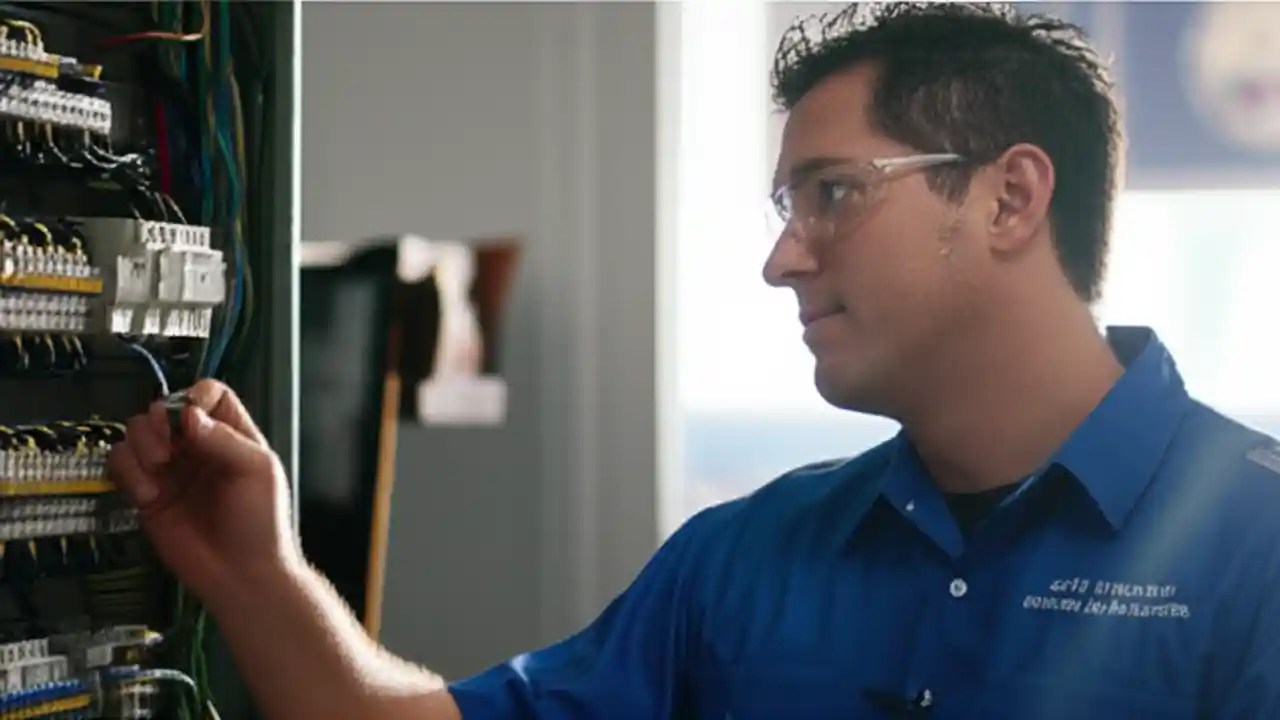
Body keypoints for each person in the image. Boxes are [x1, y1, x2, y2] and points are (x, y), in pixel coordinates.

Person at [108, 3, 1280, 719]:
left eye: (833, 195)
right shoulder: (750, 559)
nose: (781, 258)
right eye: (789, 202)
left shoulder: (1252, 551)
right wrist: (254, 570)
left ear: (1009, 197)